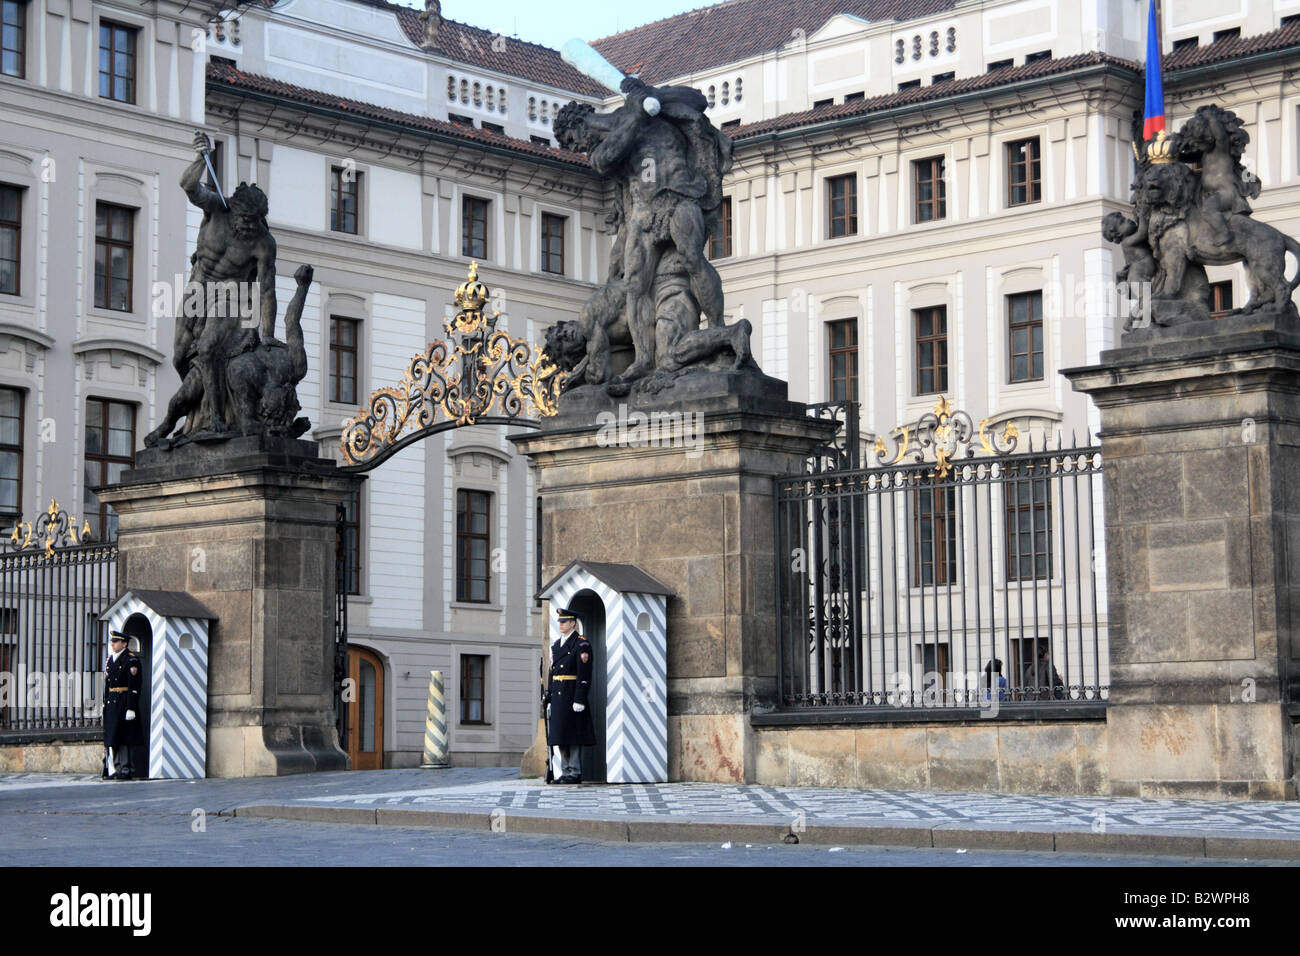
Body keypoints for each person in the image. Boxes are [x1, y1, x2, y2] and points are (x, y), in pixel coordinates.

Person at [544, 606, 595, 784]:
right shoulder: (557, 645)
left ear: (573, 623)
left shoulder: (581, 645)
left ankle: (574, 772)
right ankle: (565, 771)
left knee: (573, 735)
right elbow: (552, 673)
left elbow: (584, 674)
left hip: (572, 694)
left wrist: (580, 698)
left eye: (564, 621)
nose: (561, 624)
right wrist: (549, 697)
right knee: (560, 735)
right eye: (560, 621)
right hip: (559, 696)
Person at [103, 630, 144, 780]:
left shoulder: (131, 660)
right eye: (112, 642)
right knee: (113, 736)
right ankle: (118, 767)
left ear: (124, 644)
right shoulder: (110, 660)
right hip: (113, 702)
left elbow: (134, 685)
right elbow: (108, 685)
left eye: (116, 642)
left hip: (124, 701)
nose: (112, 644)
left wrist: (131, 707)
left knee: (125, 736)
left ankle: (126, 769)